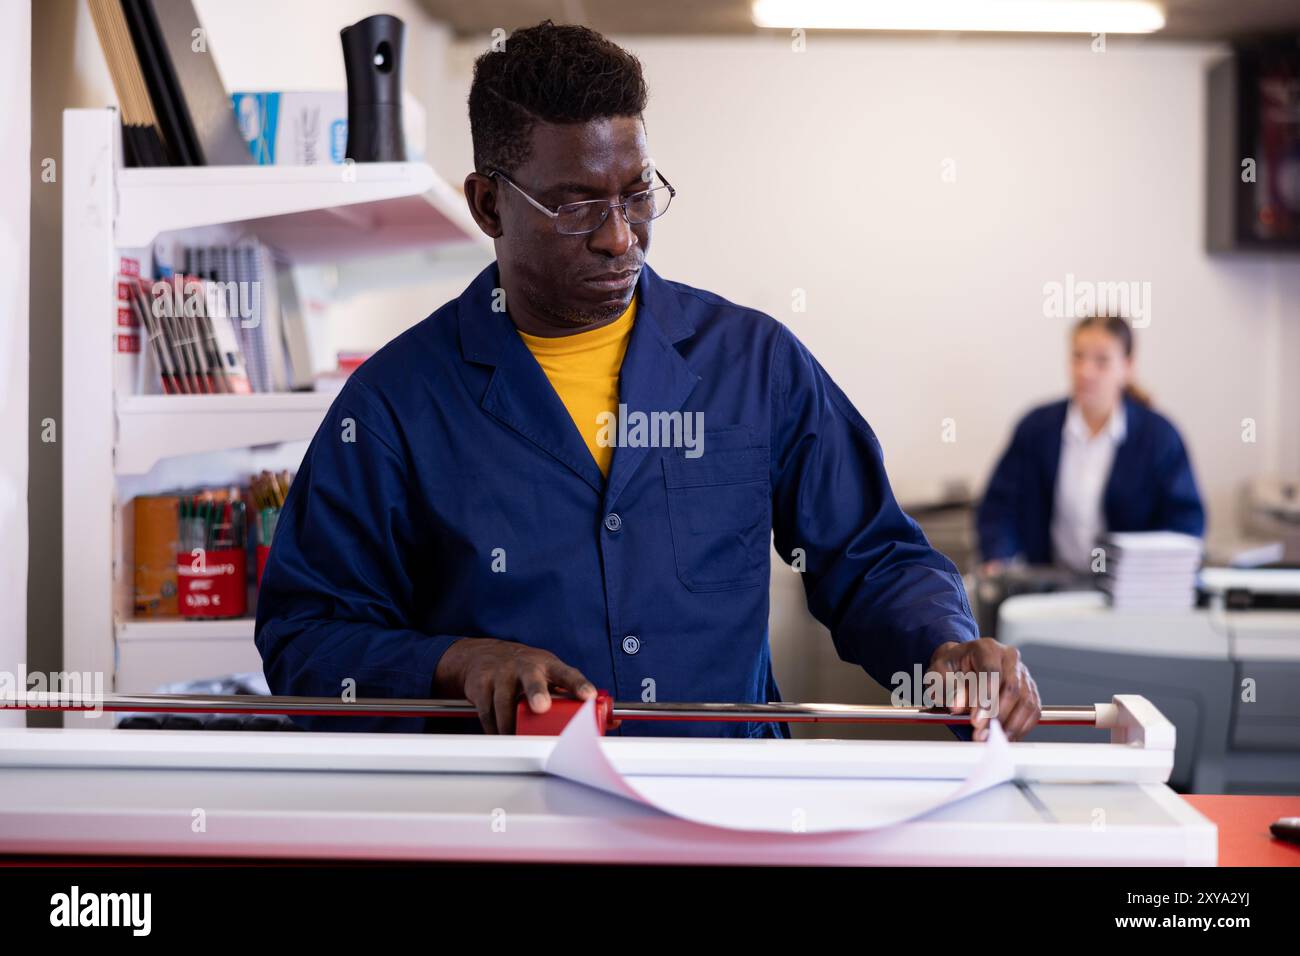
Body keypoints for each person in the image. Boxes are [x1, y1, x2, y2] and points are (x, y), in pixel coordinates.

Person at [256, 20, 1040, 741]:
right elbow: (307, 638)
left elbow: (871, 556)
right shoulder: (396, 406)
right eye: (575, 208)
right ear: (488, 203)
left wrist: (944, 645)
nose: (619, 237)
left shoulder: (751, 365)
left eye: (636, 195)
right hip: (510, 823)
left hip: (730, 813)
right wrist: (456, 662)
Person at [977, 314, 1205, 575]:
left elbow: (1185, 523)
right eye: (1078, 357)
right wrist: (998, 558)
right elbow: (999, 506)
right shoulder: (1036, 428)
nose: (1086, 371)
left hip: (1130, 593)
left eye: (1102, 361)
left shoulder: (1160, 437)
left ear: (1127, 367)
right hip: (1047, 588)